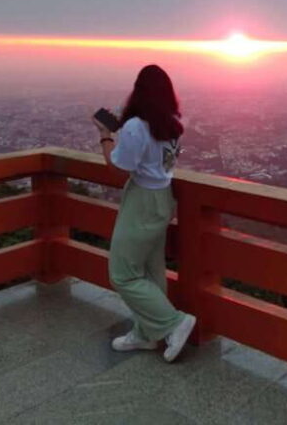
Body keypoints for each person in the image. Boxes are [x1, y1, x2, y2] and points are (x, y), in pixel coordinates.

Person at [92, 64, 196, 362]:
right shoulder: (174, 123)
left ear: (138, 92)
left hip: (142, 201)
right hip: (164, 198)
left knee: (123, 274)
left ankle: (174, 322)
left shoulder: (137, 126)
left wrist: (105, 135)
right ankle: (146, 334)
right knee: (151, 271)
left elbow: (117, 168)